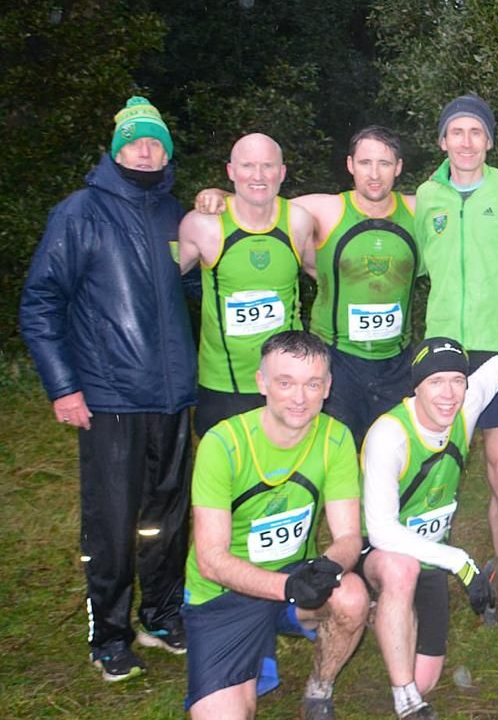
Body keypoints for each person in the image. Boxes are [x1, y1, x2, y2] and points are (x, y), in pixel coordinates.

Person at [21, 96, 197, 680]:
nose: (145, 151)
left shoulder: (174, 214)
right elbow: (40, 303)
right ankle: (110, 634)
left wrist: (212, 223)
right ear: (116, 150)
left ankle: (162, 615)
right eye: (135, 142)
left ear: (166, 153)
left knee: (166, 516)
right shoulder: (80, 213)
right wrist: (63, 387)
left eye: (155, 143)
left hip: (172, 395)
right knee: (113, 521)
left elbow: (195, 289)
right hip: (110, 395)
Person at [358, 337, 498, 720]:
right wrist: (461, 562)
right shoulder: (390, 435)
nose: (449, 393)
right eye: (436, 382)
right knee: (400, 571)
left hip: (432, 558)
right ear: (416, 386)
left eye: (457, 380)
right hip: (381, 556)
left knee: (426, 679)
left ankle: (390, 624)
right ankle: (408, 707)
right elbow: (380, 530)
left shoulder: (463, 408)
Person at [181, 332, 368, 720]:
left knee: (353, 596)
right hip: (225, 594)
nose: (299, 398)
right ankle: (244, 658)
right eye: (285, 383)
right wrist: (286, 587)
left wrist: (325, 570)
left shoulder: (336, 437)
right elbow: (211, 560)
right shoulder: (223, 444)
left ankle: (318, 696)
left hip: (293, 577)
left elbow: (348, 538)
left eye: (312, 384)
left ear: (328, 386)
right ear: (261, 382)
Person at [196, 127, 420, 443]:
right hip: (337, 360)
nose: (374, 174)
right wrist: (220, 195)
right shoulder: (323, 209)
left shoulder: (418, 209)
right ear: (350, 165)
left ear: (398, 167)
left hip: (396, 362)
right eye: (365, 162)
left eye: (384, 163)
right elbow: (261, 203)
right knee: (334, 451)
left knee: (394, 452)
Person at [414, 94, 498, 560]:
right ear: (442, 141)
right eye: (456, 132)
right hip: (443, 347)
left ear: (489, 141)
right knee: (433, 462)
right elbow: (420, 262)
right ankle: (425, 561)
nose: (466, 142)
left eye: (476, 132)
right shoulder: (428, 196)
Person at [178, 133, 316, 433]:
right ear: (230, 171)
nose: (258, 175)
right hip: (223, 383)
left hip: (288, 381)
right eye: (248, 166)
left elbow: (328, 276)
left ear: (282, 172)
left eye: (268, 166)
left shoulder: (299, 220)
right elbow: (155, 281)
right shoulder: (201, 225)